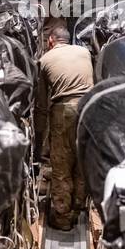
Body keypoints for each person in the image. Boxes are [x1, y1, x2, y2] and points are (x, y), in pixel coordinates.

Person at [34, 25, 93, 231]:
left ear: (51, 41)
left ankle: (63, 217)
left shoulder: (45, 60)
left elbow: (41, 104)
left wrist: (38, 140)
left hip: (64, 111)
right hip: (88, 108)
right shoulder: (84, 52)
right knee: (81, 160)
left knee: (61, 165)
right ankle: (78, 206)